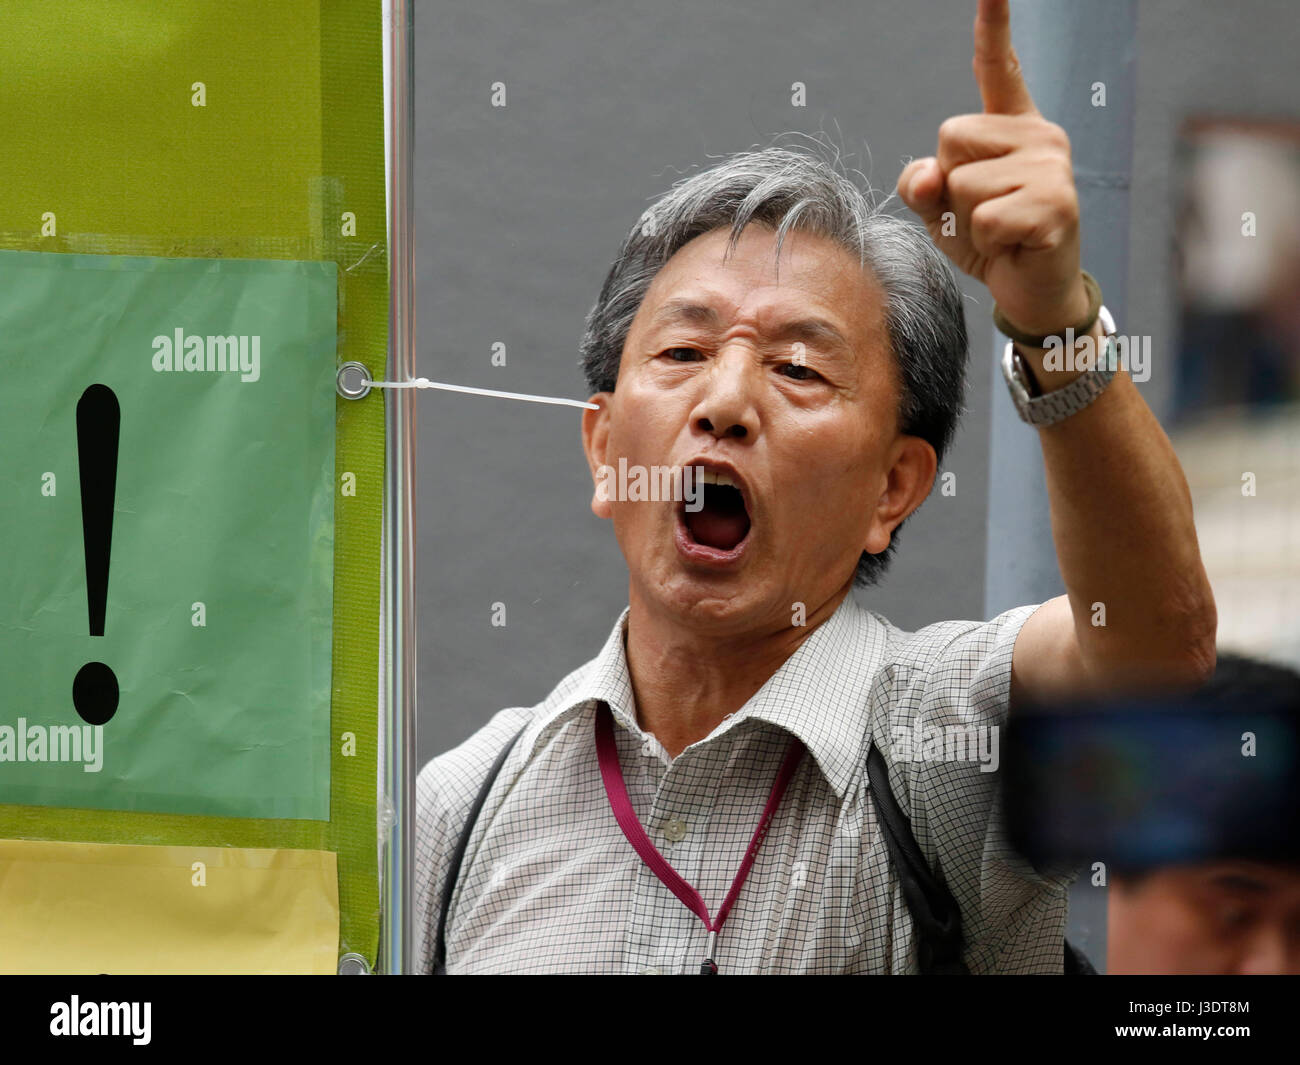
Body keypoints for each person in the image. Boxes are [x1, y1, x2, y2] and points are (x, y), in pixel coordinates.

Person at [415, 0, 1216, 973]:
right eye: (681, 349)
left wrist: (1051, 317)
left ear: (893, 489)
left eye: (798, 370)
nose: (726, 400)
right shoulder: (459, 812)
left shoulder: (943, 740)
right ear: (601, 447)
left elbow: (1153, 656)